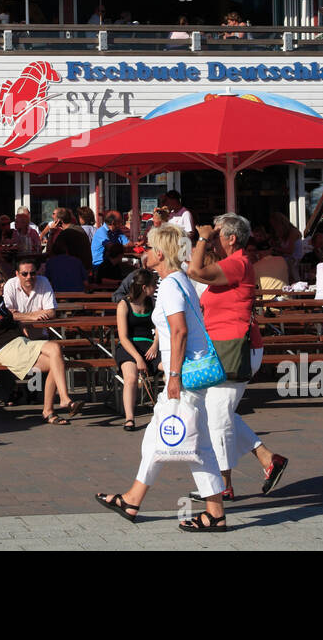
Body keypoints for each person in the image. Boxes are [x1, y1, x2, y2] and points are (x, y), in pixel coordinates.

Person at [94, 223, 228, 532]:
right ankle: (133, 499)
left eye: (148, 247)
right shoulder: (178, 281)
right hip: (187, 372)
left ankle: (211, 512)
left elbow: (179, 330)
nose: (143, 252)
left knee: (193, 444)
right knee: (164, 438)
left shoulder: (169, 285)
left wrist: (175, 375)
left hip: (184, 375)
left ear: (159, 253)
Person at [188, 215, 288, 499]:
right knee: (219, 412)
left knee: (218, 415)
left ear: (232, 238)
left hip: (236, 348)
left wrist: (203, 238)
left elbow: (195, 271)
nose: (213, 237)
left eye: (218, 233)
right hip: (225, 348)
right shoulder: (233, 263)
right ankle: (267, 458)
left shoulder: (237, 263)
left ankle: (222, 485)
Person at [0, 266, 81, 424]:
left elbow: (13, 320)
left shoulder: (1, 302)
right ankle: (51, 409)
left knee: (56, 351)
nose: (2, 285)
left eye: (3, 282)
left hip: (20, 342)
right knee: (56, 363)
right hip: (5, 348)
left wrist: (22, 328)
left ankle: (60, 401)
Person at [114, 268, 158, 430]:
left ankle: (170, 411)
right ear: (145, 287)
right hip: (129, 346)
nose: (155, 288)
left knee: (169, 368)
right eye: (153, 285)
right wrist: (138, 358)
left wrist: (155, 345)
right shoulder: (124, 304)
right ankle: (130, 418)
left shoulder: (152, 302)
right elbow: (123, 337)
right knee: (131, 378)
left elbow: (159, 327)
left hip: (149, 345)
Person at [4, 257, 57, 329]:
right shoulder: (10, 284)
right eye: (24, 274)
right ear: (17, 274)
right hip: (17, 334)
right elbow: (6, 314)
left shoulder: (43, 281)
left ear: (37, 272)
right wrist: (33, 316)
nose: (29, 277)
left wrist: (19, 315)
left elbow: (52, 313)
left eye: (32, 273)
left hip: (41, 334)